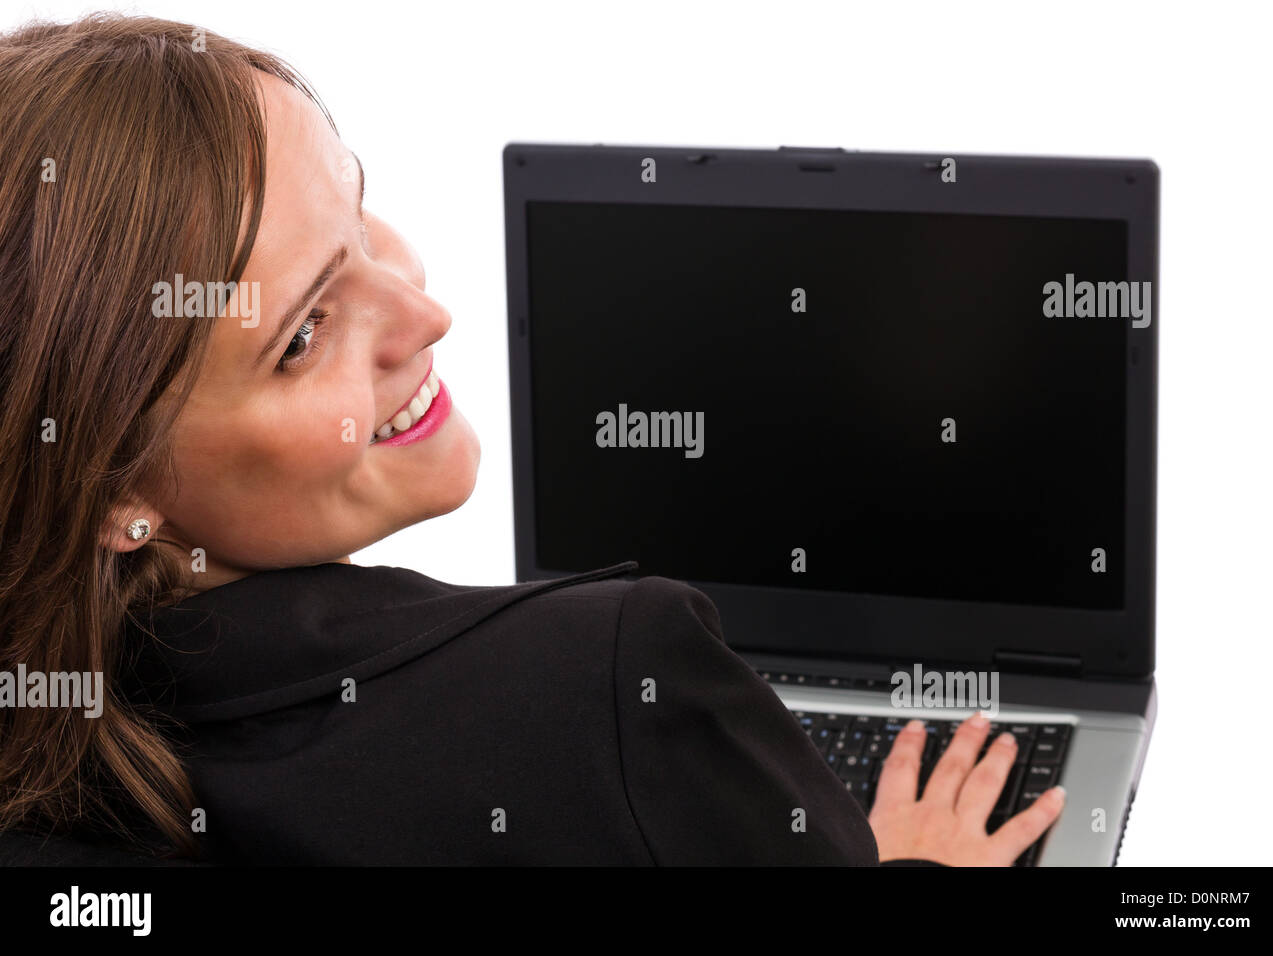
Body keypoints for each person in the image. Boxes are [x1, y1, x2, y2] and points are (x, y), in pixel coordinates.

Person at [0, 13, 1065, 865]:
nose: (424, 317)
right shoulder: (606, 686)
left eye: (356, 216)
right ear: (114, 491)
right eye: (305, 332)